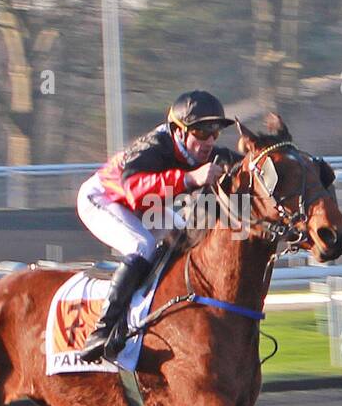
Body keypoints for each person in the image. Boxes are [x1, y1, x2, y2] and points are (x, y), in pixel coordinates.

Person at [76, 91, 239, 362]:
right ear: (179, 130)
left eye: (215, 133)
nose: (209, 141)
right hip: (103, 198)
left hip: (142, 207)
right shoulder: (153, 146)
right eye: (201, 132)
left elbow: (253, 167)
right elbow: (134, 191)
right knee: (142, 245)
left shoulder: (208, 153)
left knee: (186, 240)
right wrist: (189, 179)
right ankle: (103, 330)